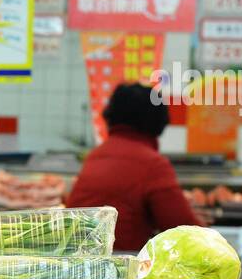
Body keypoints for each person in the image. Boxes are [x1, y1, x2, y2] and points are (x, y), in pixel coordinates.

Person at [66, 82, 205, 252]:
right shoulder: (151, 164)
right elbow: (186, 233)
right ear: (158, 121)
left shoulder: (97, 154)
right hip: (118, 269)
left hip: (77, 262)